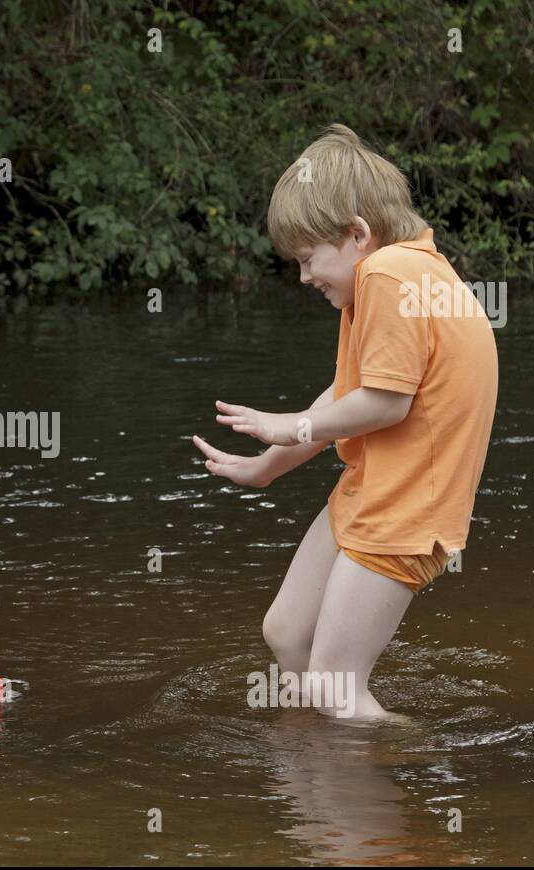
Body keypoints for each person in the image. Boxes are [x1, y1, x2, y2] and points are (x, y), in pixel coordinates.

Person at [193, 125, 499, 719]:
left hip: (407, 506)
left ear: (358, 234)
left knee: (336, 686)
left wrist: (288, 427)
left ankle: (420, 762)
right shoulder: (388, 277)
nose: (305, 277)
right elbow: (348, 394)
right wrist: (267, 468)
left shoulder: (390, 276)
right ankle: (312, 779)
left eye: (309, 259)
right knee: (287, 632)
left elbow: (388, 405)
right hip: (371, 489)